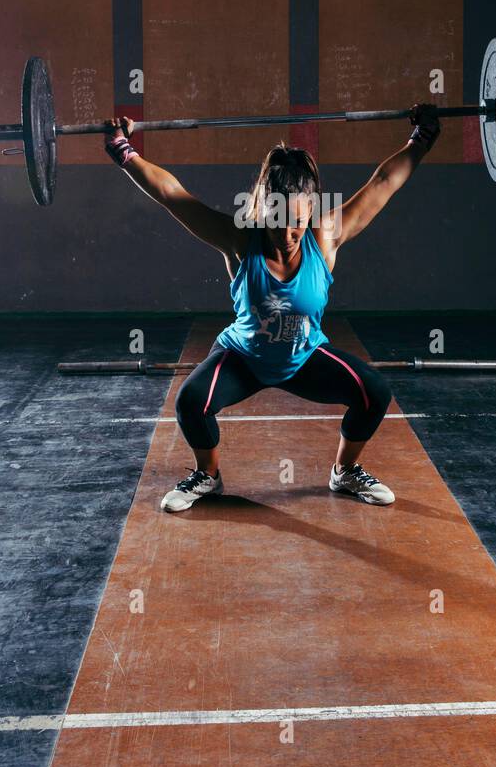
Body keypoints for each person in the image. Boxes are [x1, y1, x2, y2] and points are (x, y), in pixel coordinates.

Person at [104, 104, 441, 512]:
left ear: (311, 211)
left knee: (375, 392)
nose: (288, 233)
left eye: (298, 221)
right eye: (278, 221)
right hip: (244, 357)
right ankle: (207, 476)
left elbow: (384, 181)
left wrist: (421, 139)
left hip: (303, 357)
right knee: (190, 402)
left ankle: (345, 471)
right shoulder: (238, 241)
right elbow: (173, 195)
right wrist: (124, 152)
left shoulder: (326, 237)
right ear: (263, 211)